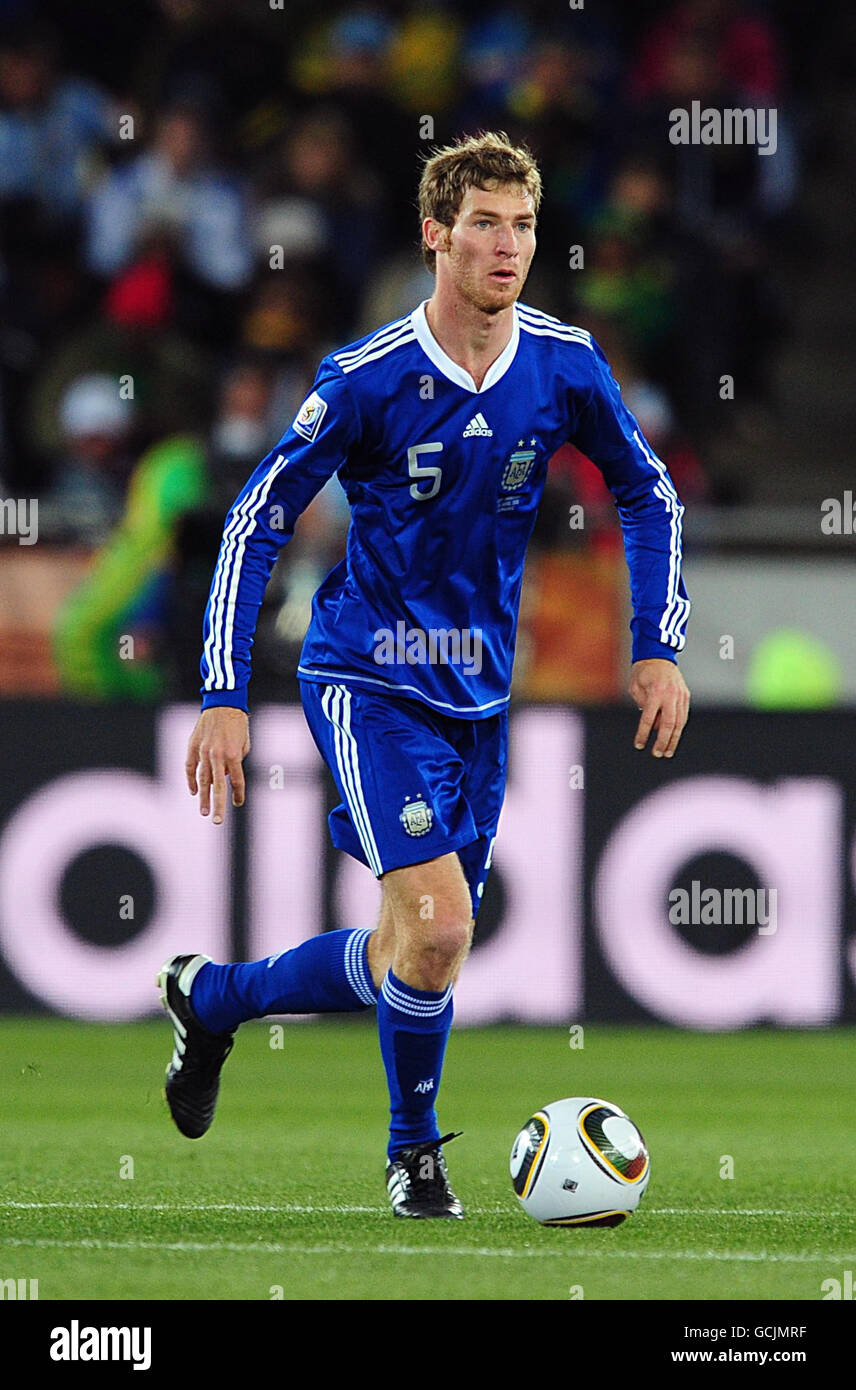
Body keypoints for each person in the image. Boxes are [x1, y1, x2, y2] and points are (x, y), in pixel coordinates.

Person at [160, 131, 691, 1220]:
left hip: (481, 694)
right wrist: (223, 693)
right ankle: (414, 1156)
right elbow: (258, 514)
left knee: (416, 949)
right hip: (367, 675)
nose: (508, 246)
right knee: (441, 924)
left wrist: (658, 644)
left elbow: (649, 494)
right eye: (485, 223)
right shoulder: (365, 379)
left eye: (524, 225)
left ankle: (211, 998)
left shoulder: (563, 364)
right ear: (435, 235)